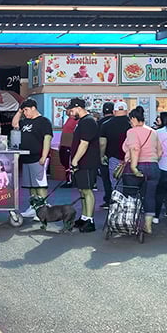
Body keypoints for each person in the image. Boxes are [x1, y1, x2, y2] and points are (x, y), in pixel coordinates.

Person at [121, 105, 163, 235]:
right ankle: (148, 226)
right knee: (150, 196)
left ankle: (130, 223)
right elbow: (160, 152)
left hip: (136, 167)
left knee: (131, 196)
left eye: (130, 120)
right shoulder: (153, 131)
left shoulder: (132, 132)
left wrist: (134, 167)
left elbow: (135, 148)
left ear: (133, 119)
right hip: (153, 167)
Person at [11, 97, 52, 219]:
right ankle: (33, 208)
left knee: (40, 185)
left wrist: (44, 156)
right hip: (26, 158)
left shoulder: (44, 121)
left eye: (27, 110)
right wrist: (19, 111)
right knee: (31, 186)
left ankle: (43, 210)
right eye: (24, 111)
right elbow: (14, 124)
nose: (25, 113)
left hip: (37, 158)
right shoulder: (24, 121)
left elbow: (47, 139)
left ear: (34, 108)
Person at [66, 97, 100, 233]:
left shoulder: (88, 122)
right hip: (81, 162)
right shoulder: (82, 122)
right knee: (82, 190)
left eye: (72, 110)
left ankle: (90, 220)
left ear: (78, 108)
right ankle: (84, 217)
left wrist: (74, 161)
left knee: (87, 190)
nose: (70, 113)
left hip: (87, 162)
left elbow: (84, 143)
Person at [98, 100, 131, 207]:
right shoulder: (132, 123)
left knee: (115, 183)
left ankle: (117, 206)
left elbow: (102, 143)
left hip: (113, 157)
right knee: (131, 182)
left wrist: (102, 156)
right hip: (132, 158)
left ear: (114, 111)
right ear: (127, 111)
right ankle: (130, 205)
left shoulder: (106, 124)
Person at [58, 112, 78, 187]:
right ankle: (68, 180)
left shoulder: (77, 120)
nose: (67, 111)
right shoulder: (69, 119)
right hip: (64, 145)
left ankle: (70, 181)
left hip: (69, 146)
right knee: (64, 163)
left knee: (69, 164)